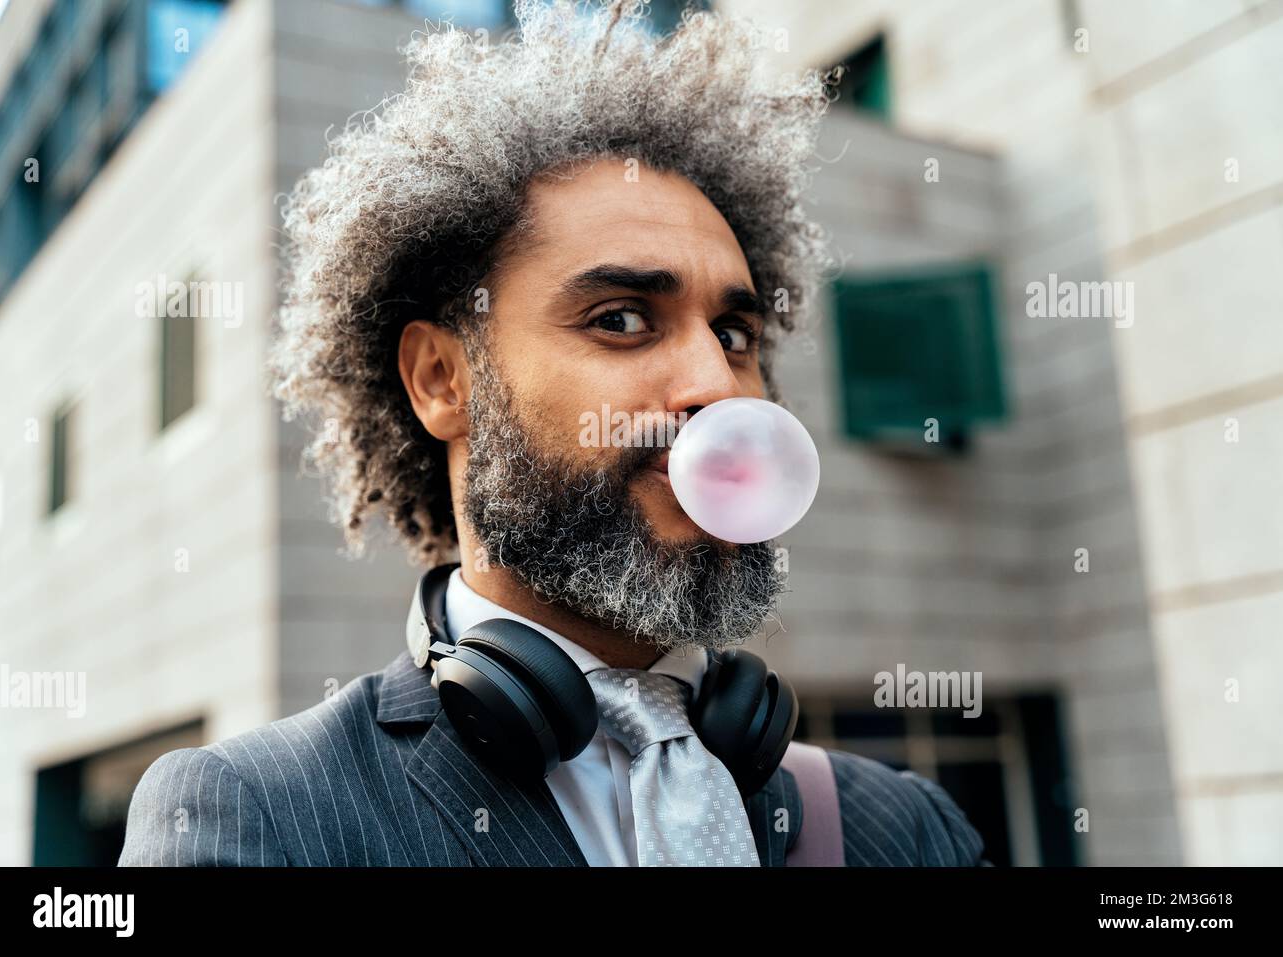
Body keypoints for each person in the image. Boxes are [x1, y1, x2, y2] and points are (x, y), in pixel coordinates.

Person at [118, 0, 985, 867]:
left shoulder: (903, 828)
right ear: (440, 379)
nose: (719, 388)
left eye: (733, 335)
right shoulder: (256, 814)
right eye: (619, 318)